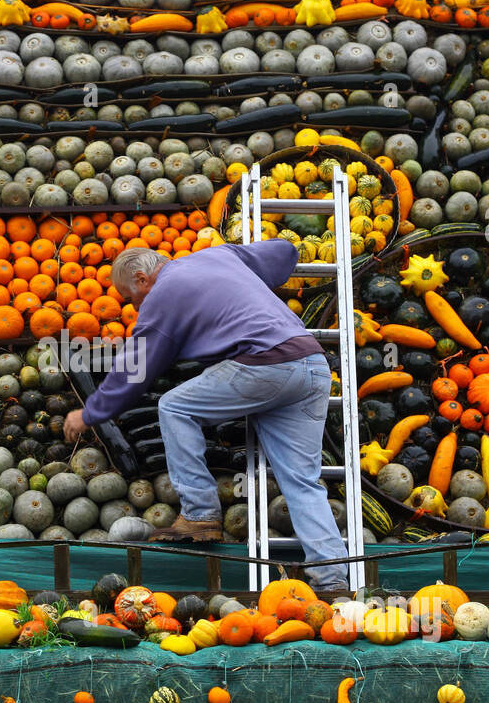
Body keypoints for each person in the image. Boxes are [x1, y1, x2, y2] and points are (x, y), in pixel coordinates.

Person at [62, 241, 349, 593]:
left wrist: (90, 413)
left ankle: (199, 514)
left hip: (265, 365)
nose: (134, 306)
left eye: (129, 296)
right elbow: (284, 252)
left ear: (141, 278)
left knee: (174, 407)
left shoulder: (162, 296)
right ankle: (333, 581)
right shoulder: (218, 255)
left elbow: (135, 370)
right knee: (302, 483)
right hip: (311, 365)